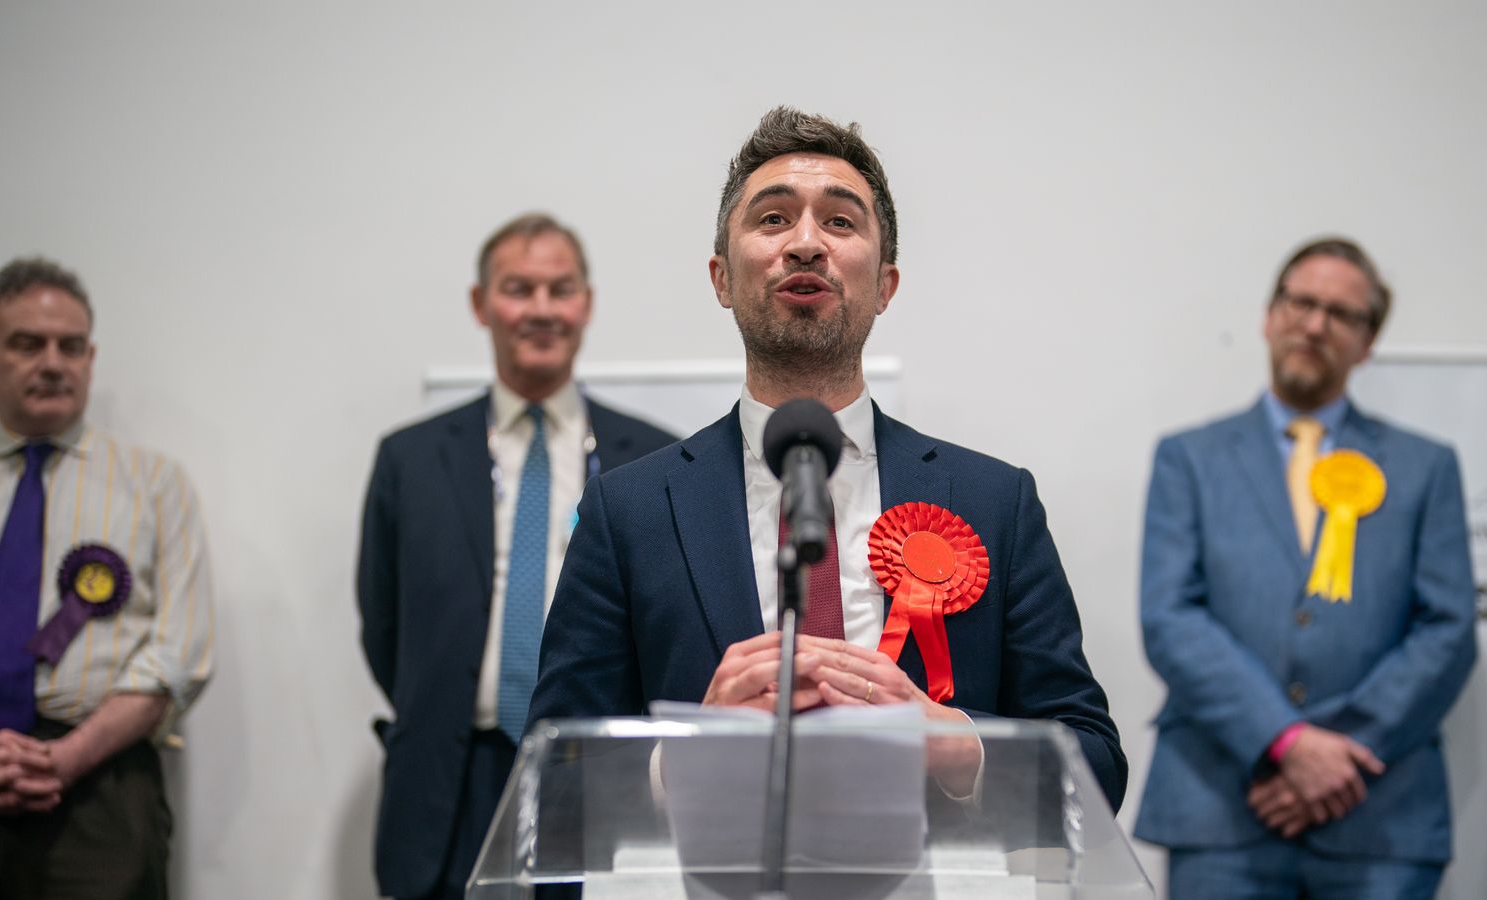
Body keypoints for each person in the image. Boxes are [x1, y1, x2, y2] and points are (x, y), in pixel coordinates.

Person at [526, 108, 1126, 808]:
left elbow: (1097, 767)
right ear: (722, 279)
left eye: (840, 222)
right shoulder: (628, 511)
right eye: (773, 219)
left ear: (885, 286)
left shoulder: (995, 502)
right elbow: (552, 776)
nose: (807, 243)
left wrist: (955, 741)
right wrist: (686, 756)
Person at [1135, 238, 1477, 898]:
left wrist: (1333, 756)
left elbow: (1449, 628)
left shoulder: (1426, 467)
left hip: (1380, 816)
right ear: (1269, 316)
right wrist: (1285, 740)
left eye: (1342, 314)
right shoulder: (1189, 458)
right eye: (1301, 303)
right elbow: (1169, 618)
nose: (1316, 325)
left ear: (1367, 343)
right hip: (1221, 808)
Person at [357, 213, 676, 900]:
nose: (541, 309)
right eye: (517, 289)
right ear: (481, 304)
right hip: (448, 781)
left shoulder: (653, 460)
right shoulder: (410, 460)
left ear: (587, 304)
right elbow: (382, 629)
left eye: (560, 289)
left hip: (597, 776)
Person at [0, 257, 216, 899]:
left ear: (91, 357)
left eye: (71, 346)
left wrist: (68, 758)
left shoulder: (156, 486)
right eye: (27, 343)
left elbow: (180, 654)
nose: (53, 363)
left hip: (98, 786)